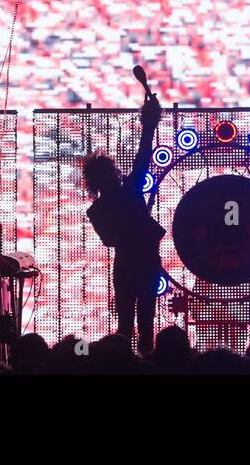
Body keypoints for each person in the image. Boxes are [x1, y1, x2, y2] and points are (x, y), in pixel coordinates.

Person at [84, 92, 166, 353]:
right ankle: (147, 363)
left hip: (125, 265)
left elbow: (110, 240)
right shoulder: (130, 189)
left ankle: (122, 364)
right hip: (147, 260)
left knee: (125, 326)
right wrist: (149, 124)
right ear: (114, 173)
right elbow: (143, 156)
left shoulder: (96, 211)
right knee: (146, 323)